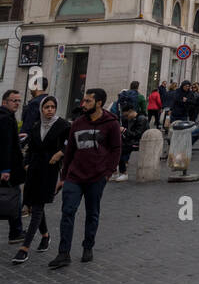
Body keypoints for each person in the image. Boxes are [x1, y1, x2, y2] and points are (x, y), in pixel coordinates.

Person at [49, 87, 121, 268]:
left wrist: (108, 172)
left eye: (88, 101)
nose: (84, 104)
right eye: (84, 100)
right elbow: (70, 151)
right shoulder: (78, 123)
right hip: (74, 176)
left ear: (99, 103)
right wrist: (64, 177)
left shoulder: (111, 123)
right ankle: (63, 253)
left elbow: (116, 149)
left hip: (97, 177)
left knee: (92, 213)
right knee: (67, 212)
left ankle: (88, 246)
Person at [13, 97, 69, 263]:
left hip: (50, 171)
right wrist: (26, 164)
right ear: (41, 109)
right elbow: (31, 147)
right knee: (32, 204)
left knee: (38, 206)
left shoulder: (63, 125)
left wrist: (60, 153)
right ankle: (45, 236)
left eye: (53, 107)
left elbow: (70, 144)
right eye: (46, 107)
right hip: (34, 170)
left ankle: (24, 248)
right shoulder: (37, 125)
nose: (50, 110)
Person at [0, 88, 26, 246]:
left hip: (8, 168)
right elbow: (4, 146)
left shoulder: (6, 117)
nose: (17, 103)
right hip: (8, 169)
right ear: (4, 102)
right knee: (14, 198)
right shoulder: (5, 119)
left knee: (14, 198)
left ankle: (16, 231)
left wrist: (17, 136)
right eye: (13, 100)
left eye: (18, 101)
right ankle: (15, 232)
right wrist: (5, 170)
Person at [113, 106, 149, 181]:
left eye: (126, 115)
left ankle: (124, 173)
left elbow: (138, 134)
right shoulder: (132, 119)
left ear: (131, 111)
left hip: (140, 142)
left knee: (120, 150)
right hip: (132, 141)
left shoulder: (141, 119)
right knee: (115, 147)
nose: (126, 117)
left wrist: (124, 131)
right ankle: (114, 172)